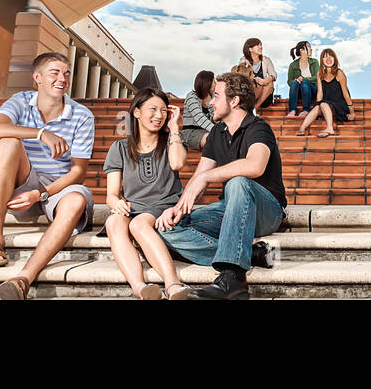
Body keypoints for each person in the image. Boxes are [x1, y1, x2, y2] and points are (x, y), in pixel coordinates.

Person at [156, 71, 288, 300]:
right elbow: (199, 178)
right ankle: (251, 254)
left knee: (238, 182)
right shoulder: (217, 132)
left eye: (216, 96)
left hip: (267, 211)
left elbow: (255, 165)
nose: (211, 102)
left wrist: (207, 177)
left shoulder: (258, 128)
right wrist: (177, 208)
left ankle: (233, 278)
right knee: (166, 227)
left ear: (234, 101)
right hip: (232, 209)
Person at [0, 51, 95, 300]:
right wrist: (41, 133)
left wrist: (40, 193)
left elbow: (78, 172)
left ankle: (23, 278)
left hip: (60, 188)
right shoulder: (20, 101)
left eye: (66, 73)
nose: (62, 78)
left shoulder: (82, 115)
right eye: (55, 72)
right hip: (24, 180)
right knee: (7, 142)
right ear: (37, 78)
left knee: (77, 200)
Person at [103, 88, 191, 299]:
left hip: (165, 206)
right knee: (114, 222)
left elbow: (178, 163)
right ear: (137, 112)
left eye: (163, 110)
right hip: (135, 207)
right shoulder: (120, 148)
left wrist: (175, 128)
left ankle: (172, 286)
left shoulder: (172, 141)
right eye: (153, 109)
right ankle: (140, 288)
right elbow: (111, 195)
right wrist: (116, 204)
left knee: (138, 224)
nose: (159, 115)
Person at [297, 48, 354, 138]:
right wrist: (318, 106)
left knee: (323, 104)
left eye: (331, 56)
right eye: (325, 57)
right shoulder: (320, 74)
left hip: (339, 105)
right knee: (319, 106)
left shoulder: (339, 73)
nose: (328, 59)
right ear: (322, 61)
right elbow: (320, 93)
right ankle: (302, 128)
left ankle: (330, 128)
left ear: (334, 59)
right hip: (327, 104)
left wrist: (352, 112)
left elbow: (346, 94)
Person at [181, 71, 215, 151]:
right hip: (191, 132)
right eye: (214, 82)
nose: (216, 84)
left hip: (206, 131)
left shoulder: (213, 97)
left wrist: (209, 103)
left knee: (221, 139)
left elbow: (216, 118)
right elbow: (199, 118)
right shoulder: (192, 97)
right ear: (208, 84)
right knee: (215, 139)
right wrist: (217, 131)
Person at [286, 41, 319, 118]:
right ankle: (292, 110)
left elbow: (317, 77)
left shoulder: (314, 62)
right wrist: (297, 80)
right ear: (302, 50)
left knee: (304, 83)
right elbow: (289, 81)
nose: (311, 49)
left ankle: (306, 110)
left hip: (313, 89)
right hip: (299, 92)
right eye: (308, 47)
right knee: (294, 82)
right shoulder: (293, 65)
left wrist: (304, 79)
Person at [243, 37, 277, 110]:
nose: (261, 47)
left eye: (261, 45)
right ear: (250, 49)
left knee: (270, 83)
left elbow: (274, 75)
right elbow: (242, 78)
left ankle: (254, 109)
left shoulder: (266, 60)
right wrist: (256, 80)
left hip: (265, 98)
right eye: (257, 45)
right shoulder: (243, 61)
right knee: (257, 84)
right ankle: (252, 109)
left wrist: (265, 81)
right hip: (251, 95)